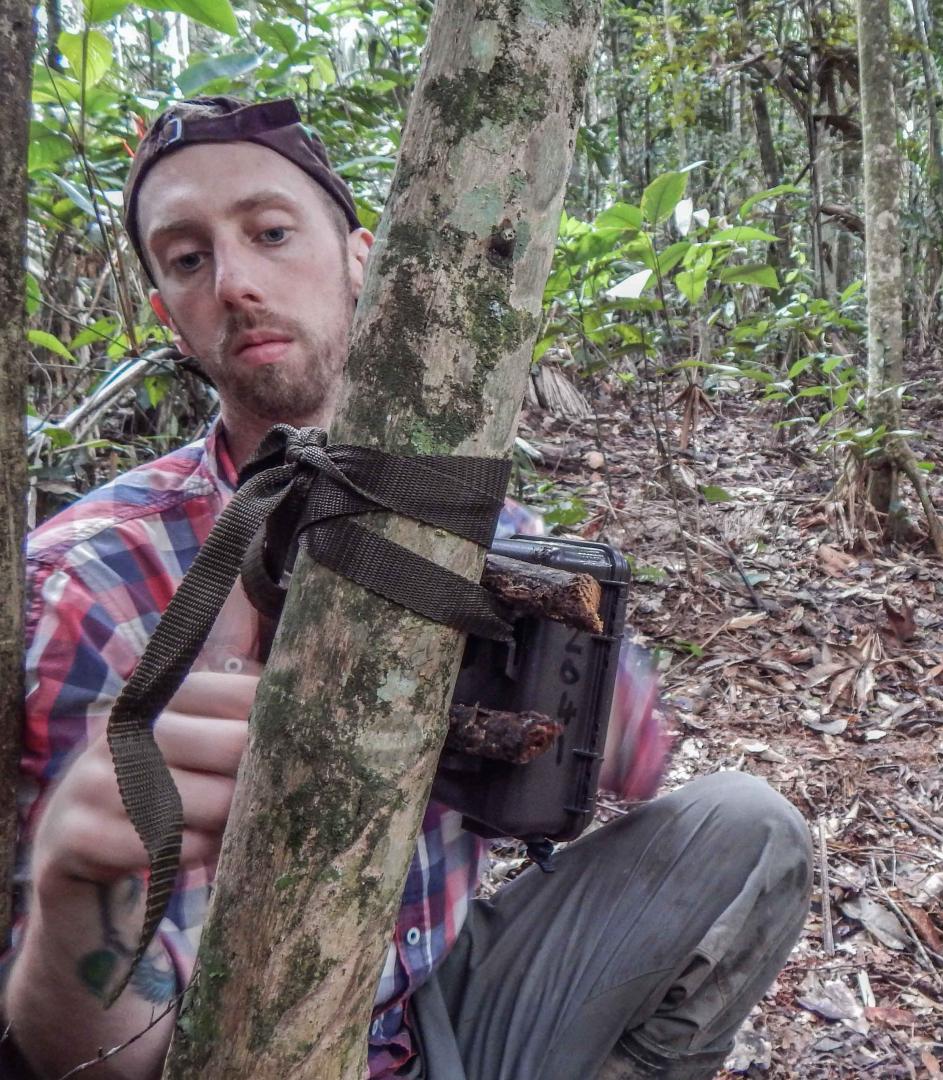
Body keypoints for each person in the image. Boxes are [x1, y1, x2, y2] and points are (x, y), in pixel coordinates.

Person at [2, 96, 811, 1080]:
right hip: (218, 1042)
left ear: (359, 259)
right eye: (187, 258)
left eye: (270, 232)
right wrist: (74, 881)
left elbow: (636, 759)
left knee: (750, 830)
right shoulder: (88, 578)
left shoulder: (477, 522)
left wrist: (560, 679)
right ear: (169, 315)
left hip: (435, 999)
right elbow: (79, 1055)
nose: (238, 282)